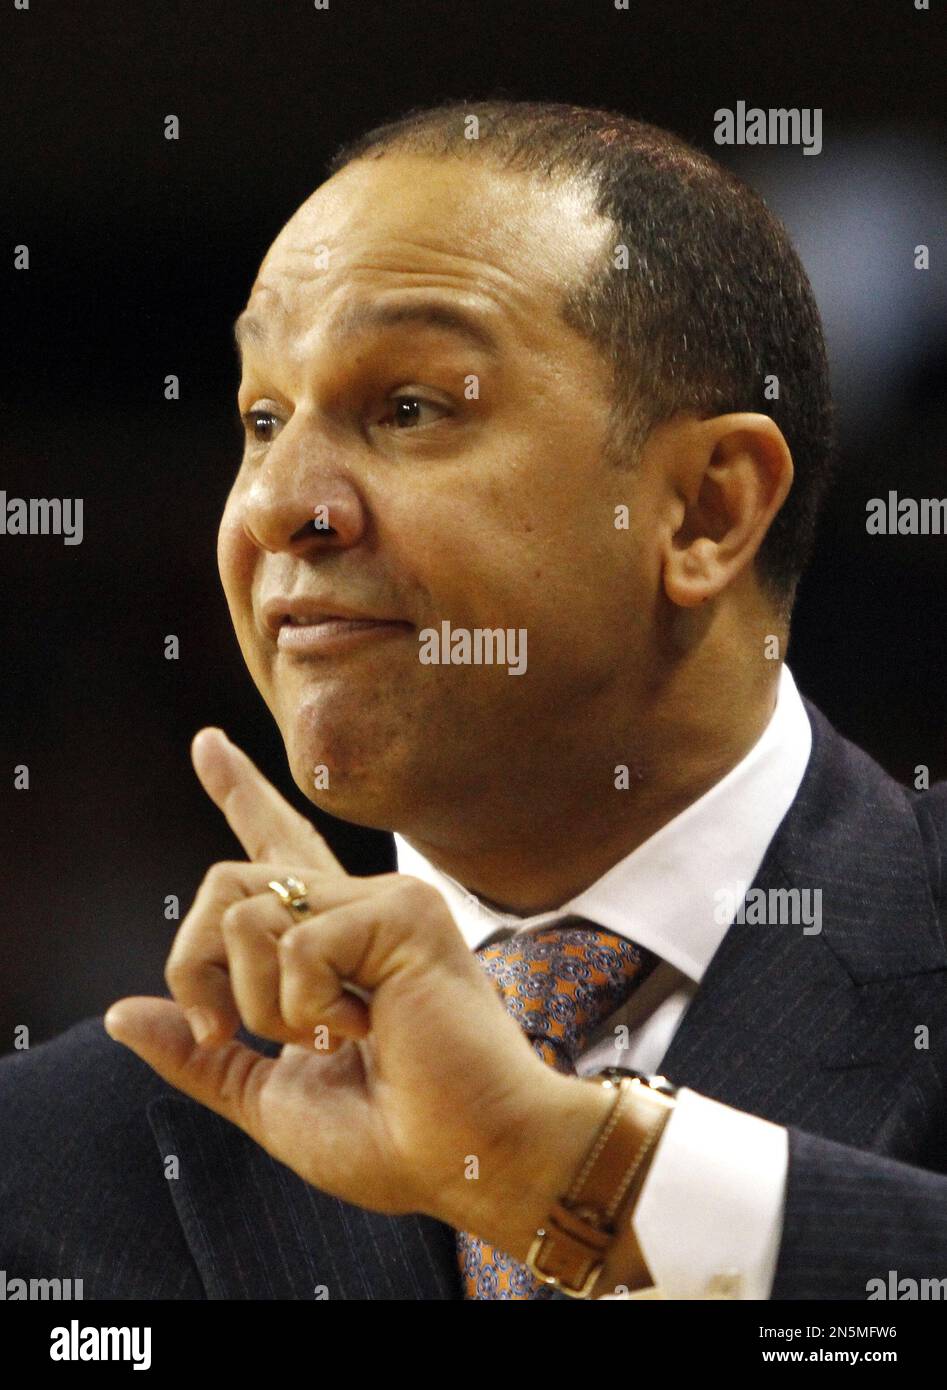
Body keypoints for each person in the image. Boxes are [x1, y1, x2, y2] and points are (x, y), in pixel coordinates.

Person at [2, 100, 945, 1302]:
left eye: (409, 407)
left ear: (706, 508)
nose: (279, 504)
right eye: (259, 418)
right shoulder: (52, 1160)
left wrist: (571, 1176)